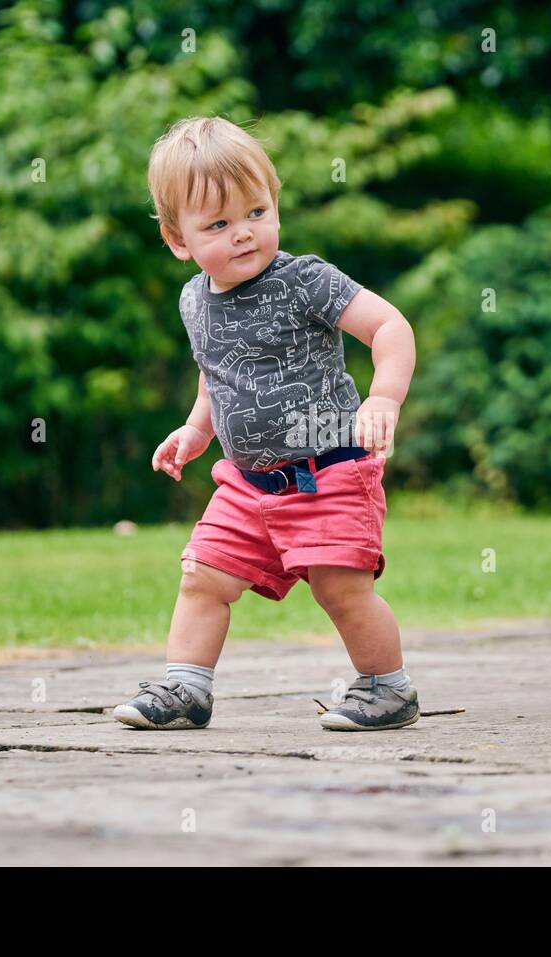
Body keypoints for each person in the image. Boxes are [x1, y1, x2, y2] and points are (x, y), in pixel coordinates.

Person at [113, 116, 418, 732]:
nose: (245, 234)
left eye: (256, 212)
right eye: (219, 225)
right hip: (247, 486)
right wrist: (197, 431)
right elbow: (214, 371)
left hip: (326, 471)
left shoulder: (305, 280)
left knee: (340, 588)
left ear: (275, 204)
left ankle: (388, 688)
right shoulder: (193, 300)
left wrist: (383, 399)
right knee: (202, 577)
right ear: (178, 240)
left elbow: (390, 328)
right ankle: (185, 688)